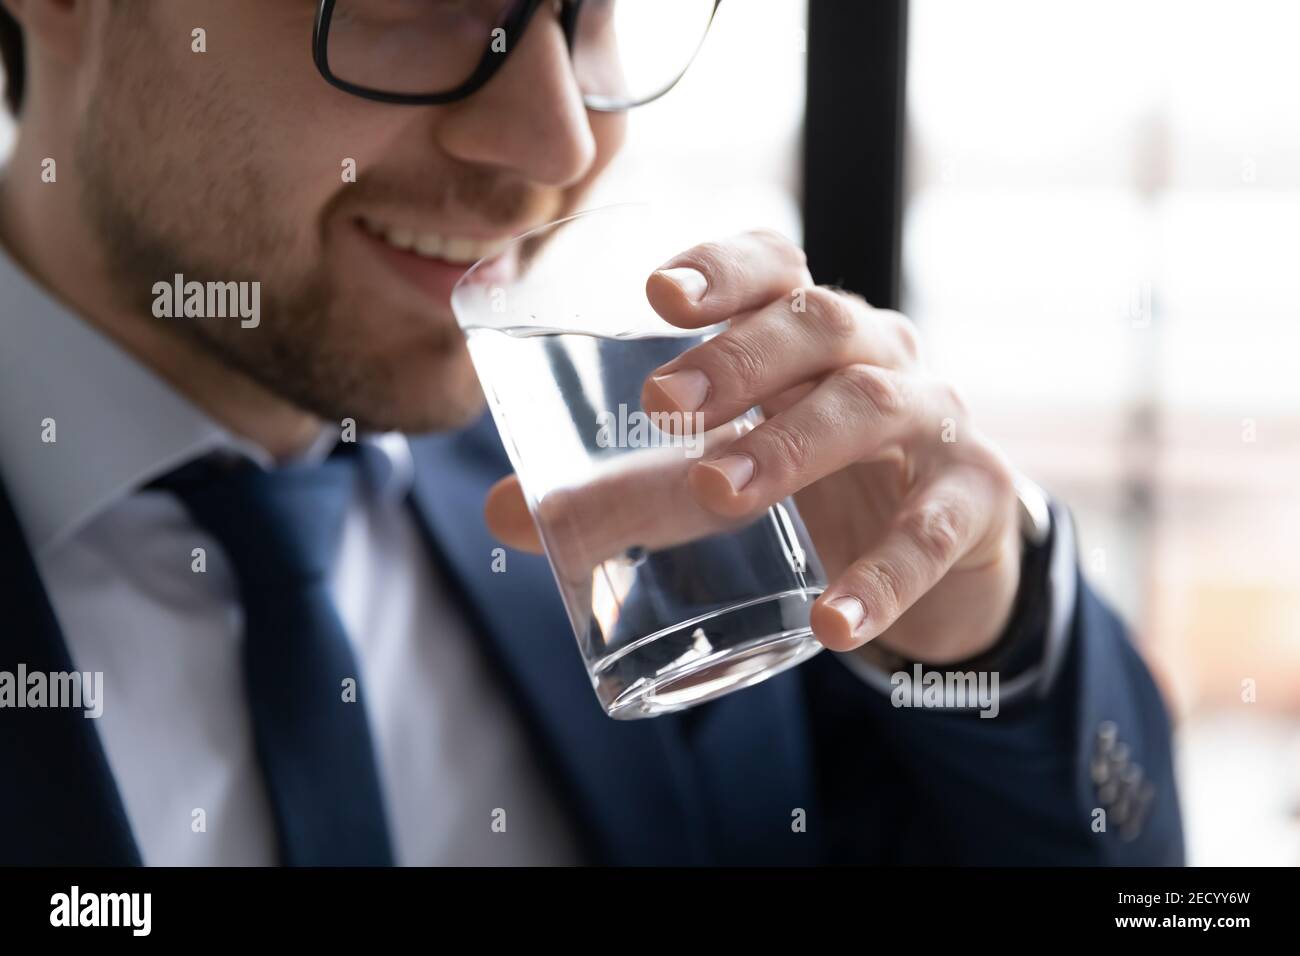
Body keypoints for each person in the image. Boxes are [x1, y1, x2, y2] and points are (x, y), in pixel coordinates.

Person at [0, 0, 1182, 866]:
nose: (558, 145)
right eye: (420, 7)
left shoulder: (689, 514)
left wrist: (981, 642)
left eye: (594, 12)